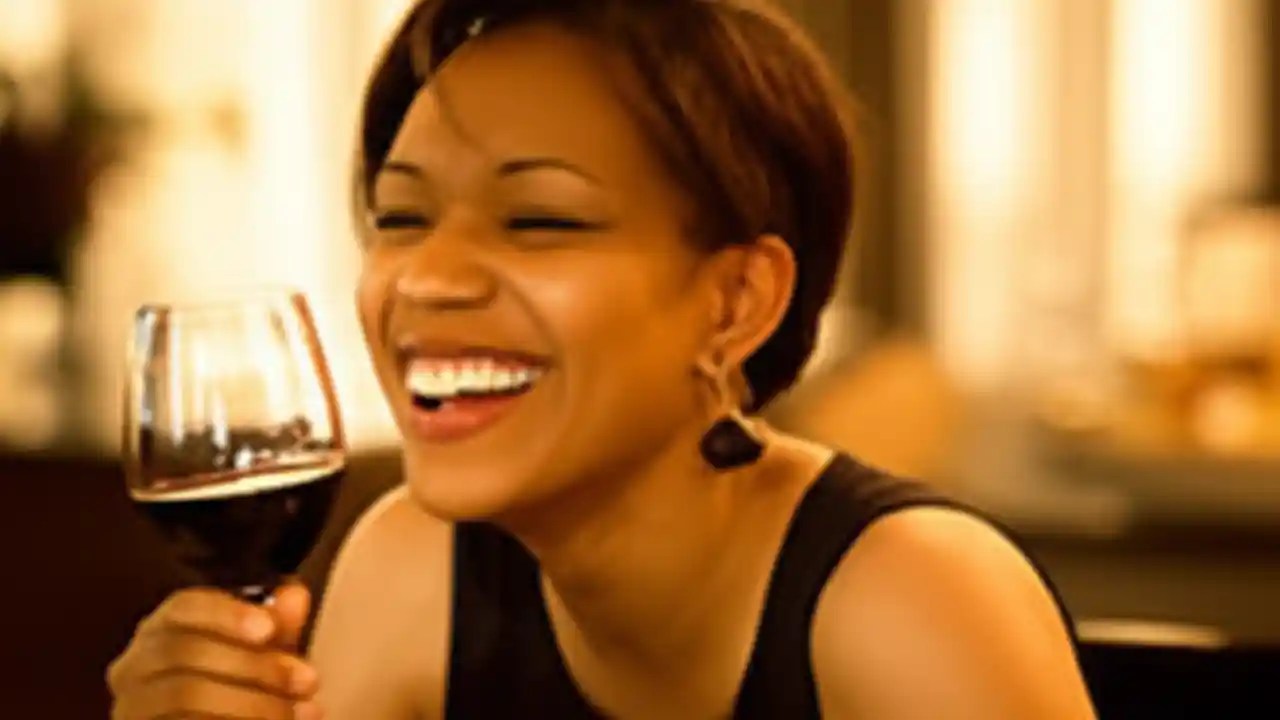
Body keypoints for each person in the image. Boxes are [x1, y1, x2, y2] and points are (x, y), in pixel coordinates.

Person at [107, 1, 1096, 717]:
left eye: (539, 219)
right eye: (399, 218)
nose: (424, 281)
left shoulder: (908, 599)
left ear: (734, 302)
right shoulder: (408, 569)